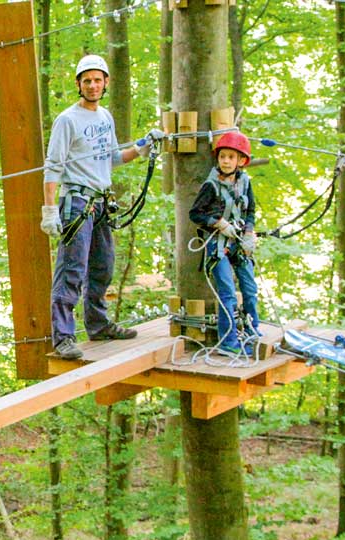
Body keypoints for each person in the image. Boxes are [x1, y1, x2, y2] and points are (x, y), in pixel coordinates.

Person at [41, 55, 162, 360]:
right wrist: (50, 210)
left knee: (103, 267)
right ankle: (63, 336)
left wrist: (143, 147)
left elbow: (112, 159)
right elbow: (53, 167)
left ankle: (97, 323)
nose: (93, 86)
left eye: (98, 80)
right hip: (77, 203)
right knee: (72, 270)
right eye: (87, 81)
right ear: (79, 85)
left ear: (106, 82)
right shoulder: (67, 120)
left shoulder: (105, 117)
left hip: (100, 203)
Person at [189, 131, 260, 356]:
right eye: (223, 157)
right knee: (227, 292)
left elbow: (250, 210)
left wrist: (249, 232)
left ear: (241, 161)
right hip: (218, 244)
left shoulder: (245, 182)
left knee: (250, 288)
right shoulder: (211, 186)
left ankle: (252, 332)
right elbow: (195, 213)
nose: (226, 161)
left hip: (239, 242)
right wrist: (218, 223)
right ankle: (228, 341)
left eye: (231, 157)